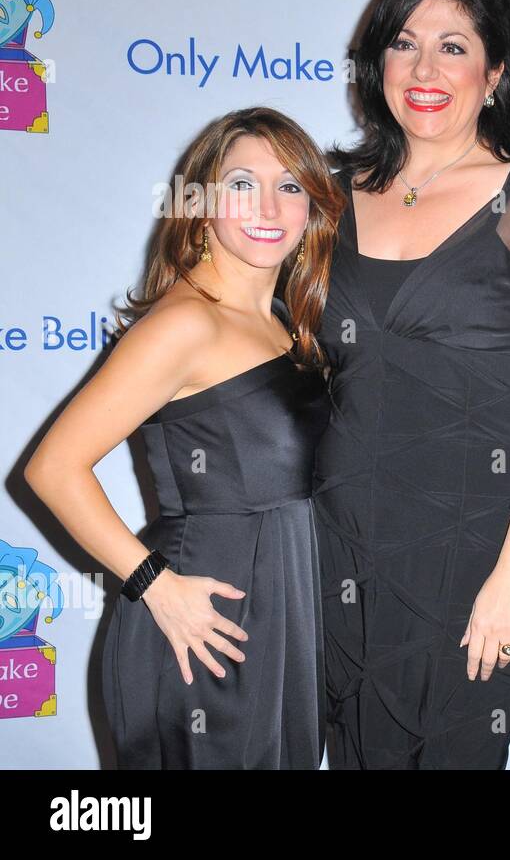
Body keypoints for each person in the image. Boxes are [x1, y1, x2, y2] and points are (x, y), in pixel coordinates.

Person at [315, 0, 510, 769]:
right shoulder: (327, 194)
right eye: (403, 42)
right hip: (340, 547)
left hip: (475, 555)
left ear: (495, 71)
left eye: (454, 46)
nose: (425, 67)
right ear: (376, 63)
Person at [25, 107, 343, 768]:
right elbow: (53, 468)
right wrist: (157, 587)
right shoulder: (185, 323)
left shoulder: (286, 322)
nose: (268, 204)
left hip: (281, 624)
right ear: (200, 203)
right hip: (205, 635)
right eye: (242, 183)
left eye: (289, 185)